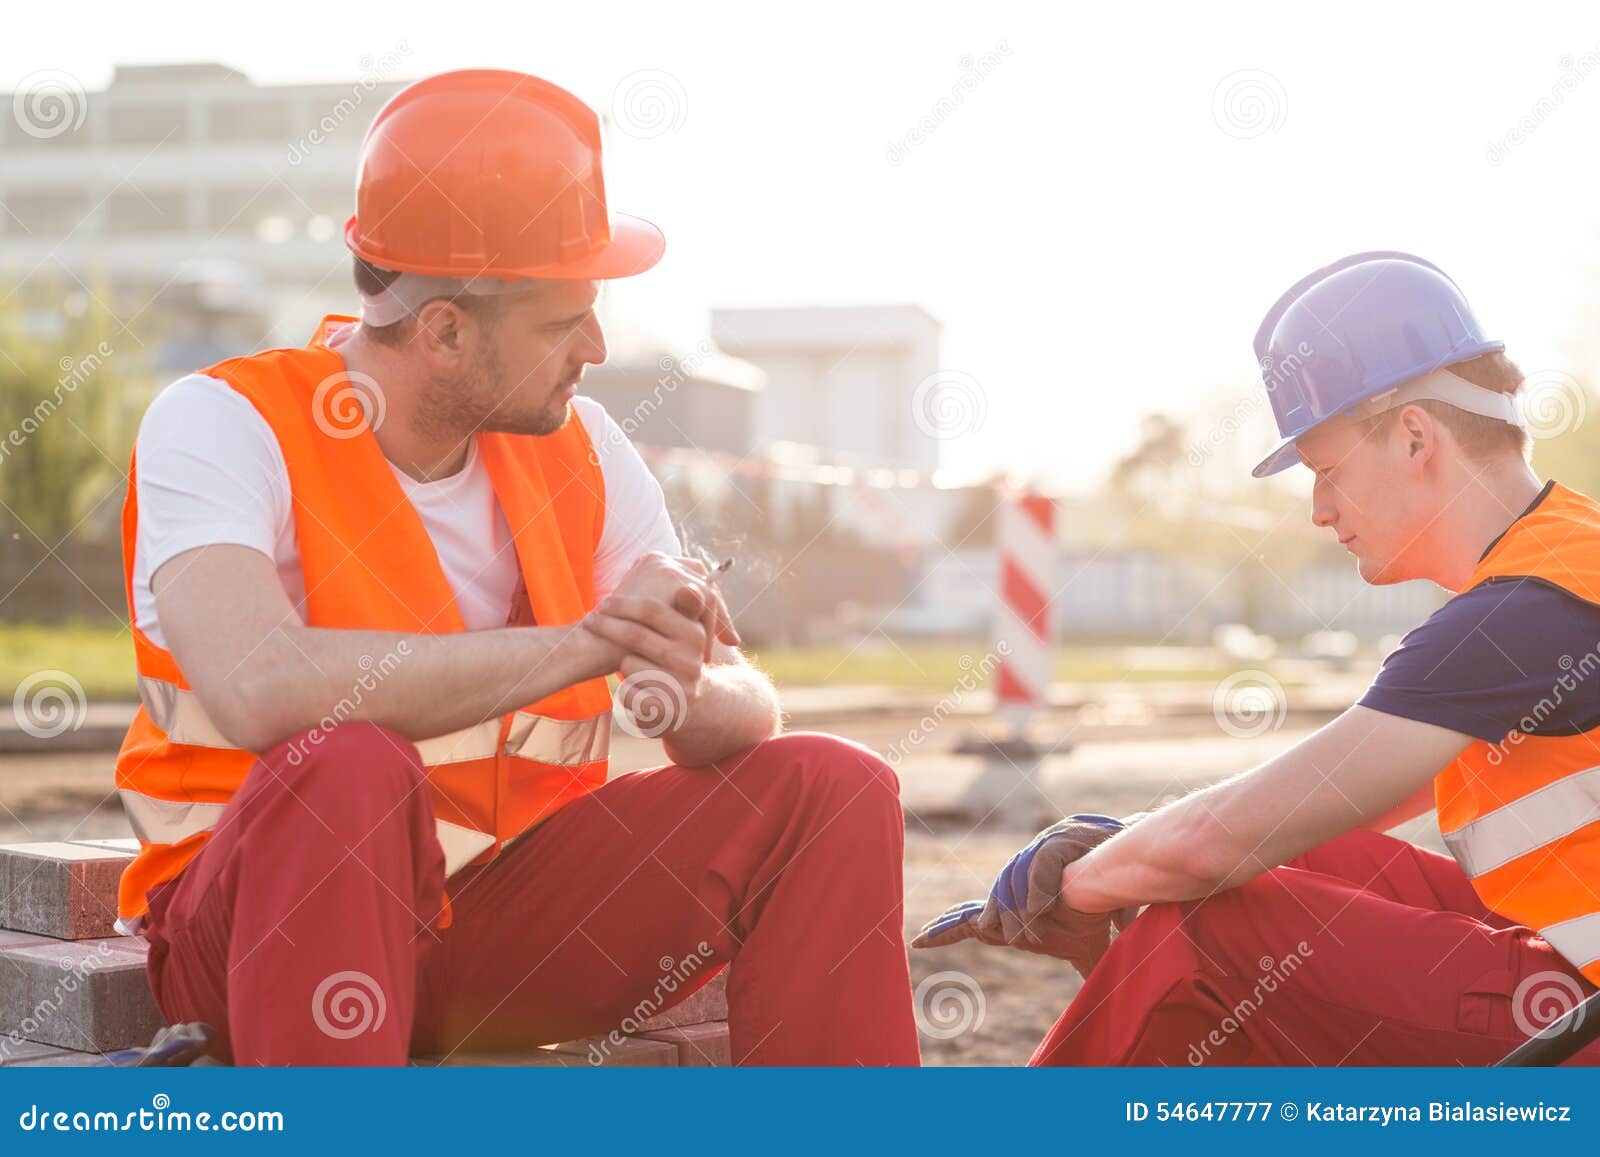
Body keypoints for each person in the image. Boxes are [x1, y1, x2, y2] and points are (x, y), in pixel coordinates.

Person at [114, 69, 917, 1067]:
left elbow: (739, 699)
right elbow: (256, 686)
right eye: (561, 320)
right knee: (346, 763)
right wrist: (582, 643)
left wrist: (689, 681)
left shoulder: (581, 441)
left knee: (835, 787)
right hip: (255, 937)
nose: (596, 344)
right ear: (445, 330)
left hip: (497, 924)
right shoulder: (223, 420)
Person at [915, 251, 1600, 1066]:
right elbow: (1304, 814)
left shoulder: (1521, 613)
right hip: (1569, 964)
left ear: (1416, 436)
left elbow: (1221, 838)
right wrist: (1131, 847)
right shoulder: (1562, 566)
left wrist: (1079, 887)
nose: (1317, 509)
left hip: (1578, 1010)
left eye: (1326, 469)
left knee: (1209, 925)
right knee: (1271, 865)